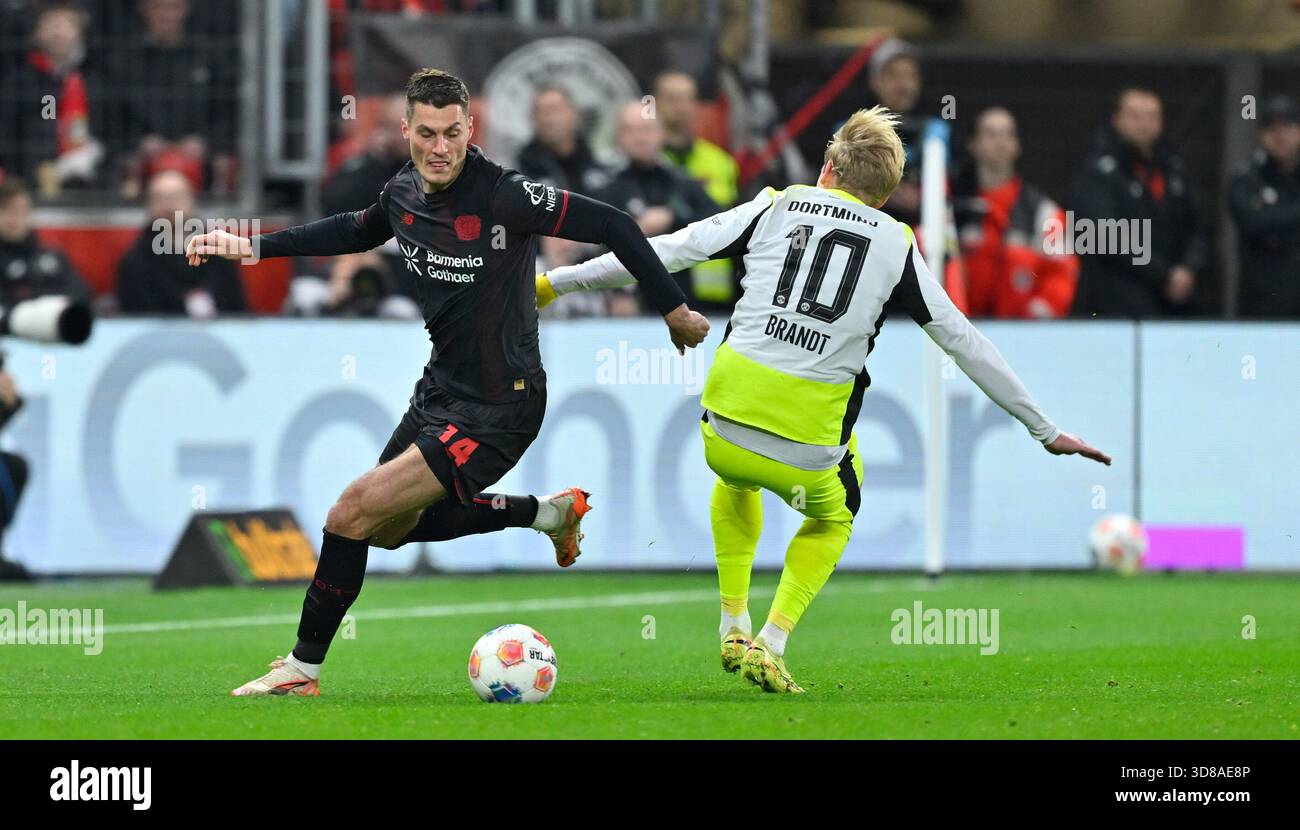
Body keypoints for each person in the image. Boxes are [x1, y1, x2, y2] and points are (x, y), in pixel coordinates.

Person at [538, 107, 1109, 694]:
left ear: (828, 168)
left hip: (722, 427)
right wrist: (1045, 429)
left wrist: (555, 282)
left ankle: (732, 618)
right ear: (885, 195)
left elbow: (667, 249)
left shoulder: (776, 204)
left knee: (737, 476)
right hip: (808, 448)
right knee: (836, 513)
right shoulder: (896, 243)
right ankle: (772, 640)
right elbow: (963, 341)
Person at [185, 68, 710, 697]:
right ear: (406, 129)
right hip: (439, 392)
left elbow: (618, 226)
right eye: (427, 133)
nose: (439, 148)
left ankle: (302, 670)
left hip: (502, 405)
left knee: (349, 512)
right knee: (385, 530)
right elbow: (353, 230)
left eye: (452, 134)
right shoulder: (402, 190)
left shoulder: (505, 196)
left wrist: (673, 308)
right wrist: (253, 248)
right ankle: (547, 513)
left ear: (470, 130)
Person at [1071, 88, 1207, 318]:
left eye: (1151, 117)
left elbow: (1197, 226)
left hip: (1173, 302)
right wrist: (1164, 274)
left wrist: (1189, 268)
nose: (1144, 125)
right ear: (1117, 120)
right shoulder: (1098, 172)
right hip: (1116, 305)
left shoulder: (1174, 170)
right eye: (1135, 116)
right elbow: (1105, 235)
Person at [951, 107, 1078, 318]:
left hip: (1022, 334)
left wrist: (1030, 323)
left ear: (1017, 145)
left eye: (1007, 134)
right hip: (959, 333)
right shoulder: (952, 207)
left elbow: (1063, 274)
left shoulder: (1043, 212)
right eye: (990, 134)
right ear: (973, 145)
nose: (1000, 142)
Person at [595, 101, 720, 313]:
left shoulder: (683, 182)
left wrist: (672, 217)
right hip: (626, 306)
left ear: (662, 133)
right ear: (618, 137)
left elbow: (721, 221)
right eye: (630, 130)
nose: (640, 138)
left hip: (686, 303)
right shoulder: (604, 189)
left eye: (646, 129)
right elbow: (589, 246)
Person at [654, 70, 742, 308]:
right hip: (663, 287)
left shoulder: (722, 163)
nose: (680, 107)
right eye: (672, 99)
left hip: (715, 291)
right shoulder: (647, 161)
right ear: (655, 104)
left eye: (687, 99)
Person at [116, 170, 247, 316]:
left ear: (192, 200)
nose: (169, 206)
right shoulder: (136, 261)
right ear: (149, 205)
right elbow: (138, 313)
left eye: (176, 197)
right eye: (161, 199)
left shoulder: (219, 253)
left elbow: (237, 308)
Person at [1229, 94, 1300, 318]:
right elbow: (1253, 224)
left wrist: (1275, 224)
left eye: (1287, 128)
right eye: (1272, 129)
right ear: (1262, 135)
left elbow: (1267, 222)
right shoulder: (1246, 177)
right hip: (1263, 299)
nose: (1280, 137)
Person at [0, 179, 93, 306]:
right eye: (9, 211)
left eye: (22, 210)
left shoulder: (53, 254)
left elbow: (82, 293)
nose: (16, 218)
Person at [516, 86, 611, 195]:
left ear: (574, 114)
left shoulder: (600, 164)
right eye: (540, 112)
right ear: (533, 120)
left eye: (555, 109)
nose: (548, 119)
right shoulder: (522, 173)